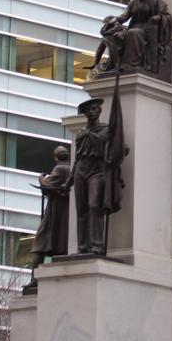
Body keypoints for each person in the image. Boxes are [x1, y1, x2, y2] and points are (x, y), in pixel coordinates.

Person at [91, 0, 172, 76]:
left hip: (148, 29)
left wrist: (158, 17)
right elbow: (124, 17)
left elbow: (167, 16)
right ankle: (117, 62)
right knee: (118, 35)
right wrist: (115, 19)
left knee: (133, 33)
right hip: (136, 27)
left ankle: (130, 63)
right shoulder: (133, 4)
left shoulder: (154, 0)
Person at [68, 98, 110, 255]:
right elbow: (77, 158)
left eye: (94, 109)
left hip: (96, 169)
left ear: (99, 111)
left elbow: (120, 148)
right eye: (88, 110)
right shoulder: (81, 134)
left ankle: (97, 245)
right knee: (81, 209)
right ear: (85, 113)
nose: (92, 112)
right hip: (81, 169)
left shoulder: (106, 130)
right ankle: (82, 247)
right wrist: (69, 180)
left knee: (94, 205)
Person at [30, 146, 71, 267]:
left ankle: (35, 278)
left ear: (56, 158)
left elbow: (48, 186)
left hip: (55, 211)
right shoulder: (72, 168)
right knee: (53, 244)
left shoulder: (60, 168)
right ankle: (45, 270)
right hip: (65, 211)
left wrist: (41, 178)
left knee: (40, 243)